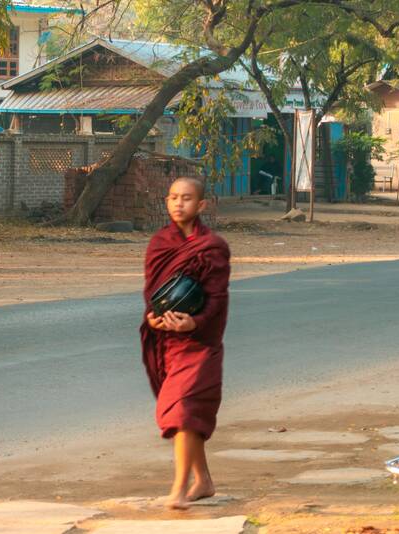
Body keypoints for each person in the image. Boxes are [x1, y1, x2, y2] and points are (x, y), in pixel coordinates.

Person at [140, 177, 231, 510]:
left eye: (188, 198)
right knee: (184, 413)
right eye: (174, 197)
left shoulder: (213, 247)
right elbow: (153, 292)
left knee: (183, 412)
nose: (179, 204)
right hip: (169, 343)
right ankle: (203, 481)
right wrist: (152, 318)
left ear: (201, 205)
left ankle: (179, 489)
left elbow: (218, 298)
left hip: (200, 344)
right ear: (167, 201)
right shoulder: (159, 244)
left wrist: (196, 322)